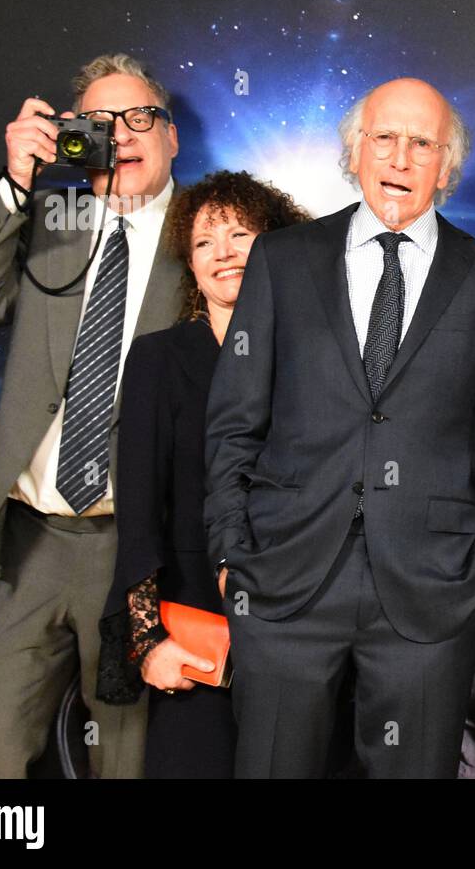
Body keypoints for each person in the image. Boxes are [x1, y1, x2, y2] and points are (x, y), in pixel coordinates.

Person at [204, 77, 475, 779]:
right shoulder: (282, 261)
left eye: (422, 144)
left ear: (448, 166)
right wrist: (232, 553)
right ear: (355, 152)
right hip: (285, 580)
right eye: (384, 138)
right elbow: (234, 422)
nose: (401, 158)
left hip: (431, 594)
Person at [0, 53, 183, 778]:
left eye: (141, 118)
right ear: (75, 140)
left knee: (126, 757)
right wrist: (18, 183)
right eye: (100, 123)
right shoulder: (48, 217)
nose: (123, 134)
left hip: (136, 551)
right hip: (30, 542)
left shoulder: (208, 239)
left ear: (173, 138)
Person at [96, 171, 310, 778]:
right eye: (204, 242)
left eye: (241, 234)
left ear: (275, 245)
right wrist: (148, 641)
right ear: (188, 264)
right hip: (194, 634)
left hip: (304, 635)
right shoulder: (158, 359)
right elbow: (139, 510)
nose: (223, 253)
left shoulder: (319, 357)